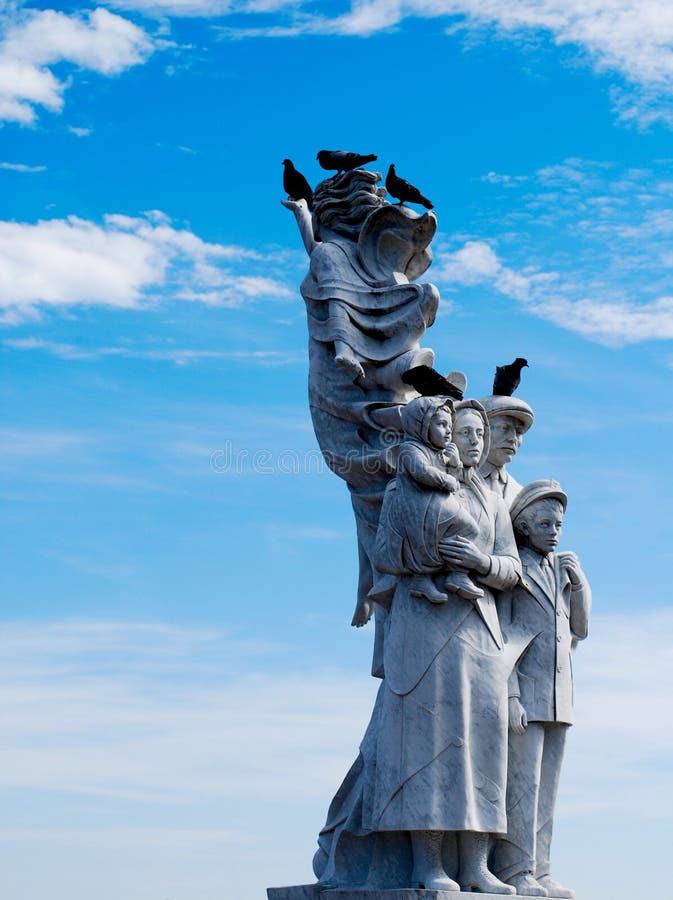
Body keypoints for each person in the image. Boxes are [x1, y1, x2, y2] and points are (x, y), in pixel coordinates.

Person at [314, 399, 522, 894]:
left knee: (481, 750)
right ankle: (426, 863)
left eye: (477, 434)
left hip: (479, 636)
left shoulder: (493, 503)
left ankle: (475, 864)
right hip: (423, 631)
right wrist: (427, 559)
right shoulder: (404, 487)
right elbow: (384, 553)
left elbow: (511, 569)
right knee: (426, 748)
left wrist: (479, 562)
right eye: (463, 432)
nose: (472, 441)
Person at [492, 481, 591, 898]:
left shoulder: (562, 572)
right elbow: (501, 637)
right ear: (525, 527)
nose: (553, 532)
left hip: (559, 695)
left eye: (558, 525)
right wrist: (511, 695)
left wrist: (579, 583)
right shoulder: (515, 571)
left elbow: (581, 628)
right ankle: (515, 869)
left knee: (547, 789)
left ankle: (541, 868)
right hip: (525, 695)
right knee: (522, 786)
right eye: (545, 524)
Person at [376, 395, 485, 605]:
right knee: (424, 546)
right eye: (441, 425)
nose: (448, 431)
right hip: (418, 510)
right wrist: (447, 480)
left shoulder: (439, 452)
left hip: (436, 507)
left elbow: (455, 477)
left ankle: (457, 574)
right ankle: (422, 580)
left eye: (450, 426)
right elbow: (422, 472)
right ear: (421, 425)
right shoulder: (410, 450)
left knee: (469, 529)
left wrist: (454, 464)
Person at [479, 394, 534, 506]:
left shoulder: (520, 494)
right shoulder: (455, 479)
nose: (513, 438)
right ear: (482, 429)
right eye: (504, 428)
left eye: (519, 432)